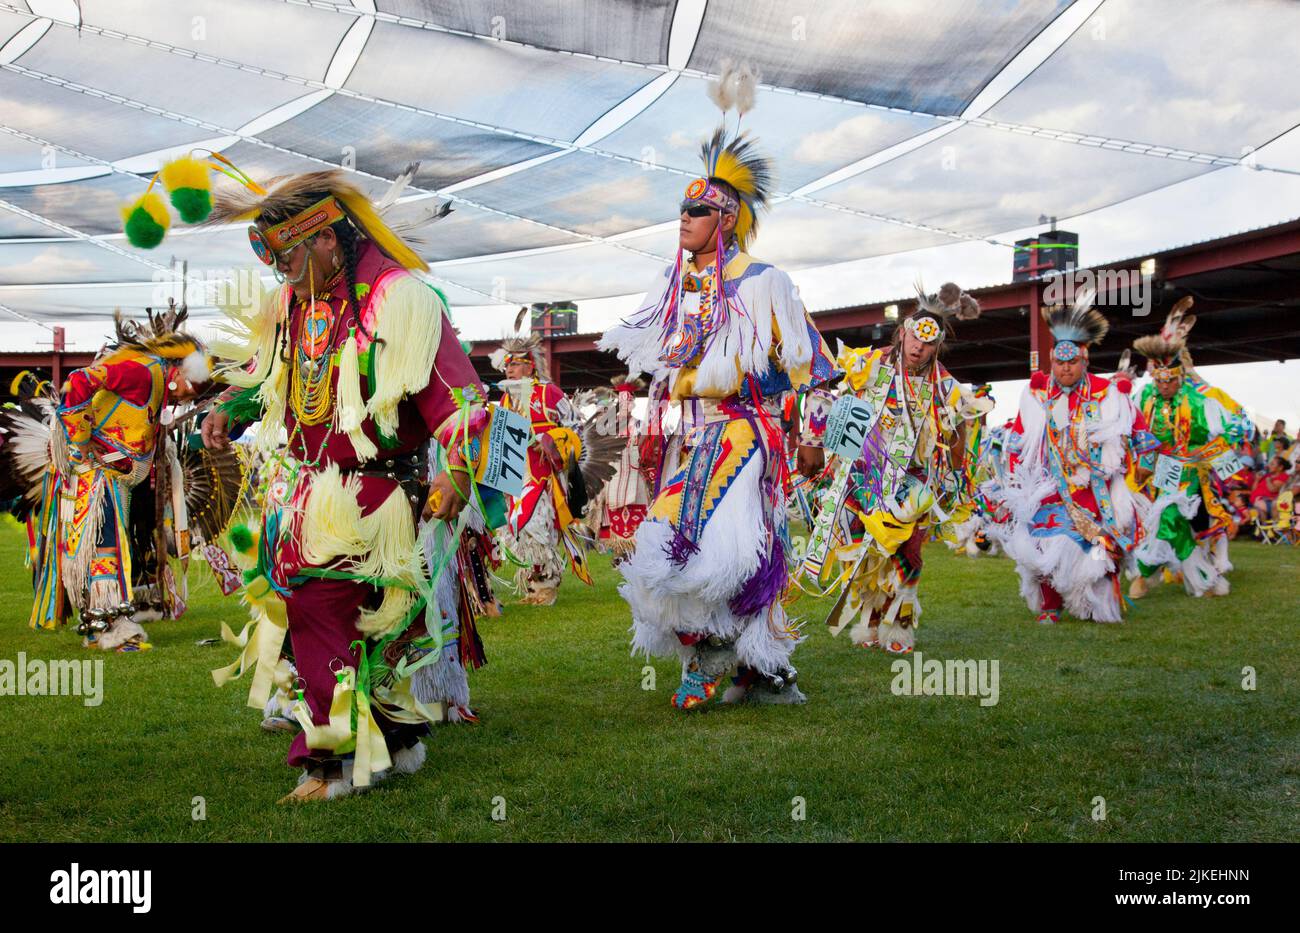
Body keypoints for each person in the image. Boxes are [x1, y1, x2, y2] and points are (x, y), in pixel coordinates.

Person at [198, 164, 491, 801]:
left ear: (328, 238)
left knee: (319, 607)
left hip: (379, 491)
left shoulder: (399, 299)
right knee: (362, 623)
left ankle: (335, 760)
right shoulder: (294, 306)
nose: (280, 273)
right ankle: (396, 745)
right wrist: (234, 408)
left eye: (288, 255)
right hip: (314, 490)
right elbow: (267, 377)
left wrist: (458, 472)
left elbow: (461, 401)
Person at [599, 86, 836, 709]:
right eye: (681, 208)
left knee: (710, 544)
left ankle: (717, 659)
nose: (683, 218)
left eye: (696, 211)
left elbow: (807, 365)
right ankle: (754, 664)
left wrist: (808, 435)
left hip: (741, 433)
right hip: (689, 437)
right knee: (704, 546)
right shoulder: (672, 285)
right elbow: (657, 369)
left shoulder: (764, 283)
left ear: (725, 220)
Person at [2, 312, 213, 651]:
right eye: (189, 390)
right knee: (105, 545)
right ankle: (109, 630)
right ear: (179, 371)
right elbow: (80, 380)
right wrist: (81, 439)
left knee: (112, 545)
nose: (185, 399)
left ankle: (100, 626)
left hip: (115, 476)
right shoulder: (141, 372)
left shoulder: (157, 381)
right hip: (95, 473)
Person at [817, 284, 990, 654]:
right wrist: (834, 471)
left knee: (907, 551)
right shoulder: (871, 365)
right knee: (864, 550)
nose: (918, 349)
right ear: (903, 333)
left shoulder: (942, 382)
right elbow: (843, 410)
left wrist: (955, 472)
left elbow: (960, 421)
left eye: (928, 345)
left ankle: (900, 627)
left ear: (937, 346)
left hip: (913, 480)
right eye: (914, 339)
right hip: (863, 475)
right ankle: (872, 624)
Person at [1001, 291, 1156, 624]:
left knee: (1099, 545)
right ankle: (1050, 606)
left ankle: (1093, 604)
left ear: (1084, 361)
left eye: (1072, 363)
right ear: (1052, 362)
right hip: (1049, 486)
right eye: (1060, 362)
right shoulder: (1037, 395)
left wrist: (1145, 462)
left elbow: (1139, 430)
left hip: (1097, 488)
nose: (1065, 369)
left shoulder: (1109, 392)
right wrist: (1017, 484)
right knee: (1045, 543)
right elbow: (1018, 441)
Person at [1128, 298, 1246, 599]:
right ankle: (1205, 580)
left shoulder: (1198, 401)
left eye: (1170, 379)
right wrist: (1142, 462)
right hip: (1159, 469)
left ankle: (1143, 575)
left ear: (1180, 376)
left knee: (1168, 517)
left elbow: (1231, 430)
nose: (1164, 385)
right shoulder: (1145, 398)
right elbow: (1138, 433)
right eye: (1160, 379)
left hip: (1191, 470)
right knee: (1167, 523)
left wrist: (1222, 466)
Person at [490, 334, 589, 605]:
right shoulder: (506, 399)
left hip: (544, 473)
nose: (509, 368)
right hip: (516, 472)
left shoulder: (549, 392)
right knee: (518, 528)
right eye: (507, 364)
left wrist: (553, 444)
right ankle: (534, 586)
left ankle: (547, 585)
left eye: (516, 363)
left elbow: (574, 426)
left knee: (538, 524)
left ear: (530, 366)